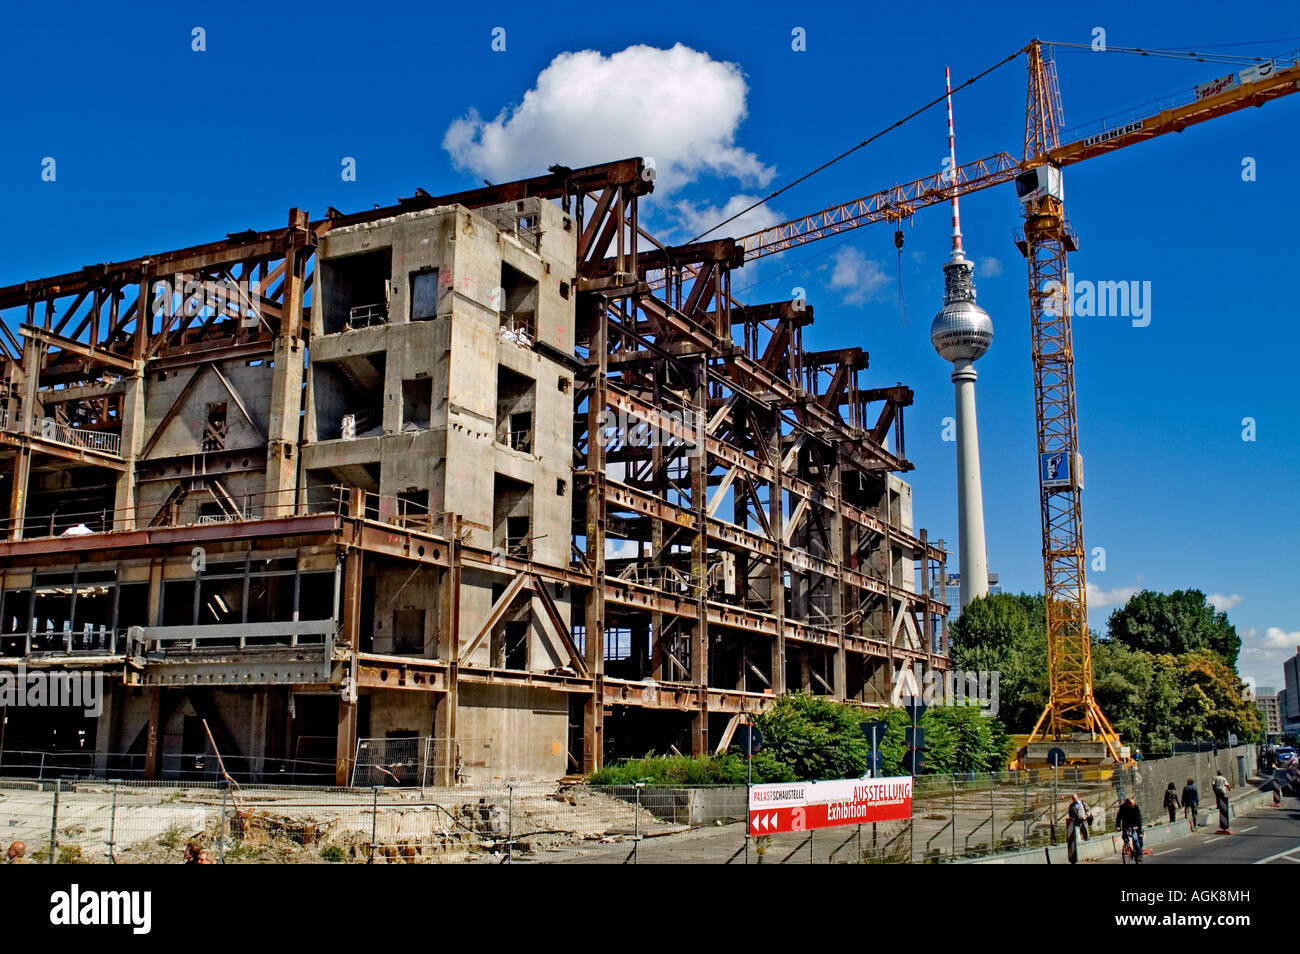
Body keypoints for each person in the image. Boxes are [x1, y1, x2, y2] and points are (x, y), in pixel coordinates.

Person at [1116, 797, 1144, 861]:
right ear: (1128, 804)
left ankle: (1139, 853)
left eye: (1133, 805)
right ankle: (1127, 849)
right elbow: (1119, 817)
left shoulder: (1136, 807)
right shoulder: (1122, 808)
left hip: (1134, 824)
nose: (1133, 807)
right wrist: (1117, 826)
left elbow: (1139, 817)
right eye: (1131, 805)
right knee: (1124, 837)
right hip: (1126, 824)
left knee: (1135, 838)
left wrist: (1137, 826)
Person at [1212, 768, 1232, 833]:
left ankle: (1218, 806)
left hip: (1217, 789)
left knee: (1217, 798)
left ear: (1217, 773)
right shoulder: (1223, 778)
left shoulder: (1215, 778)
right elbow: (1227, 784)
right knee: (1222, 798)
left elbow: (1213, 784)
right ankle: (1221, 806)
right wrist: (1229, 789)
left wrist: (1214, 789)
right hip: (1222, 790)